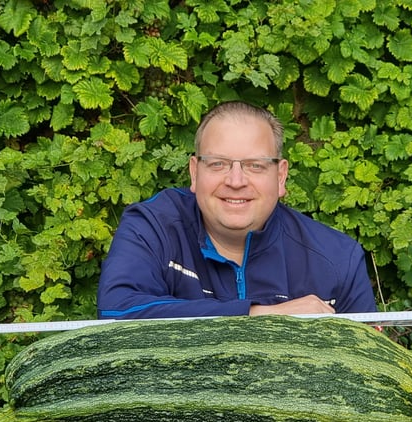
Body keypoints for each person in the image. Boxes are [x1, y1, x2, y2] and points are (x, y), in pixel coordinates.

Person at [96, 101, 377, 319]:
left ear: (280, 177)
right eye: (218, 163)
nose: (235, 181)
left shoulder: (338, 259)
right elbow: (115, 312)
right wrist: (258, 315)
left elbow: (369, 367)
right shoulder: (153, 227)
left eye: (255, 165)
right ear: (194, 172)